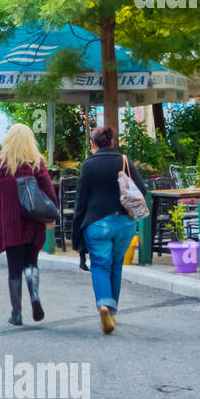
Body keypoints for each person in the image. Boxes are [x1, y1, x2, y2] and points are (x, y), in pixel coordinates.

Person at [73, 125, 147, 334]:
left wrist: (76, 235)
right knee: (116, 265)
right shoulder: (124, 161)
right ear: (111, 142)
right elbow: (142, 189)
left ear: (93, 143)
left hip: (97, 224)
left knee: (100, 265)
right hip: (125, 223)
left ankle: (104, 304)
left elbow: (81, 202)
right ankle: (112, 313)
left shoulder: (89, 166)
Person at [0, 123, 58, 326]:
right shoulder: (36, 163)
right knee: (31, 263)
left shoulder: (0, 166)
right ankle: (34, 295)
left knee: (14, 268)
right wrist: (51, 217)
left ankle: (16, 313)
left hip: (10, 224)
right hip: (33, 222)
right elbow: (50, 193)